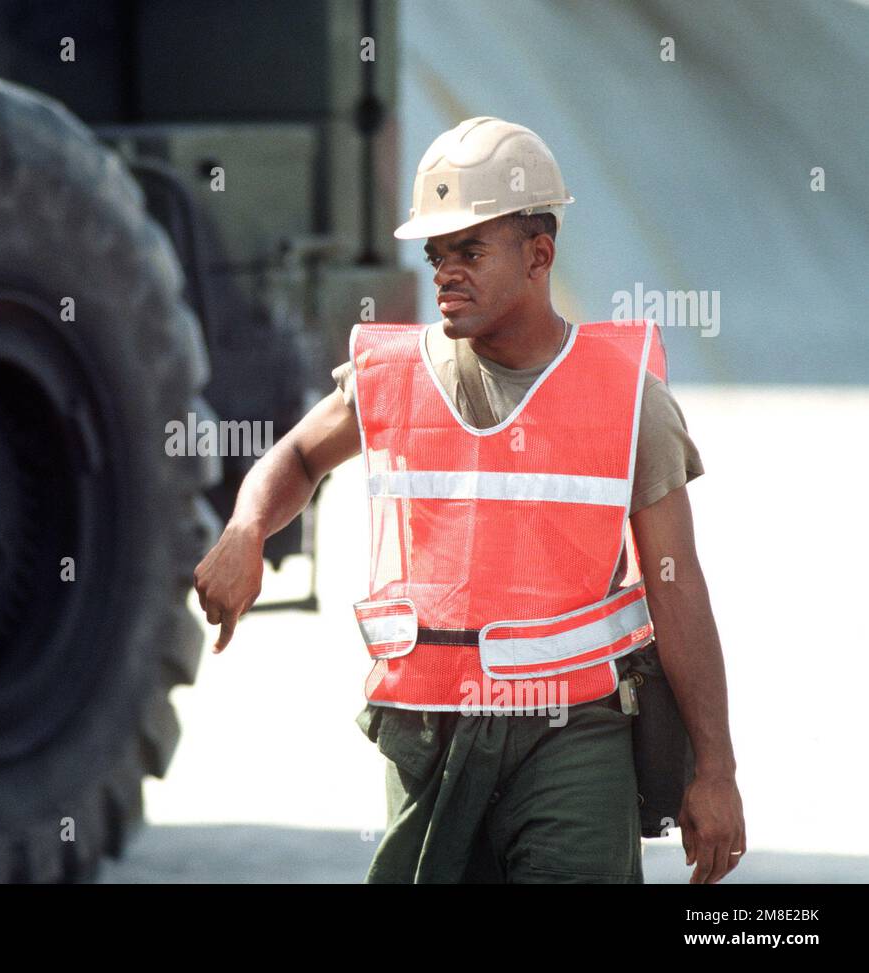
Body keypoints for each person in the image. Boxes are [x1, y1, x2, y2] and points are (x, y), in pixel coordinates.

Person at [192, 117, 745, 884]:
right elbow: (296, 454)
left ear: (539, 255)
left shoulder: (628, 403)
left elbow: (679, 590)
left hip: (572, 737)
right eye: (437, 254)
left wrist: (714, 769)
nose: (446, 272)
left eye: (470, 251)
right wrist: (247, 527)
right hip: (427, 739)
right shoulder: (393, 378)